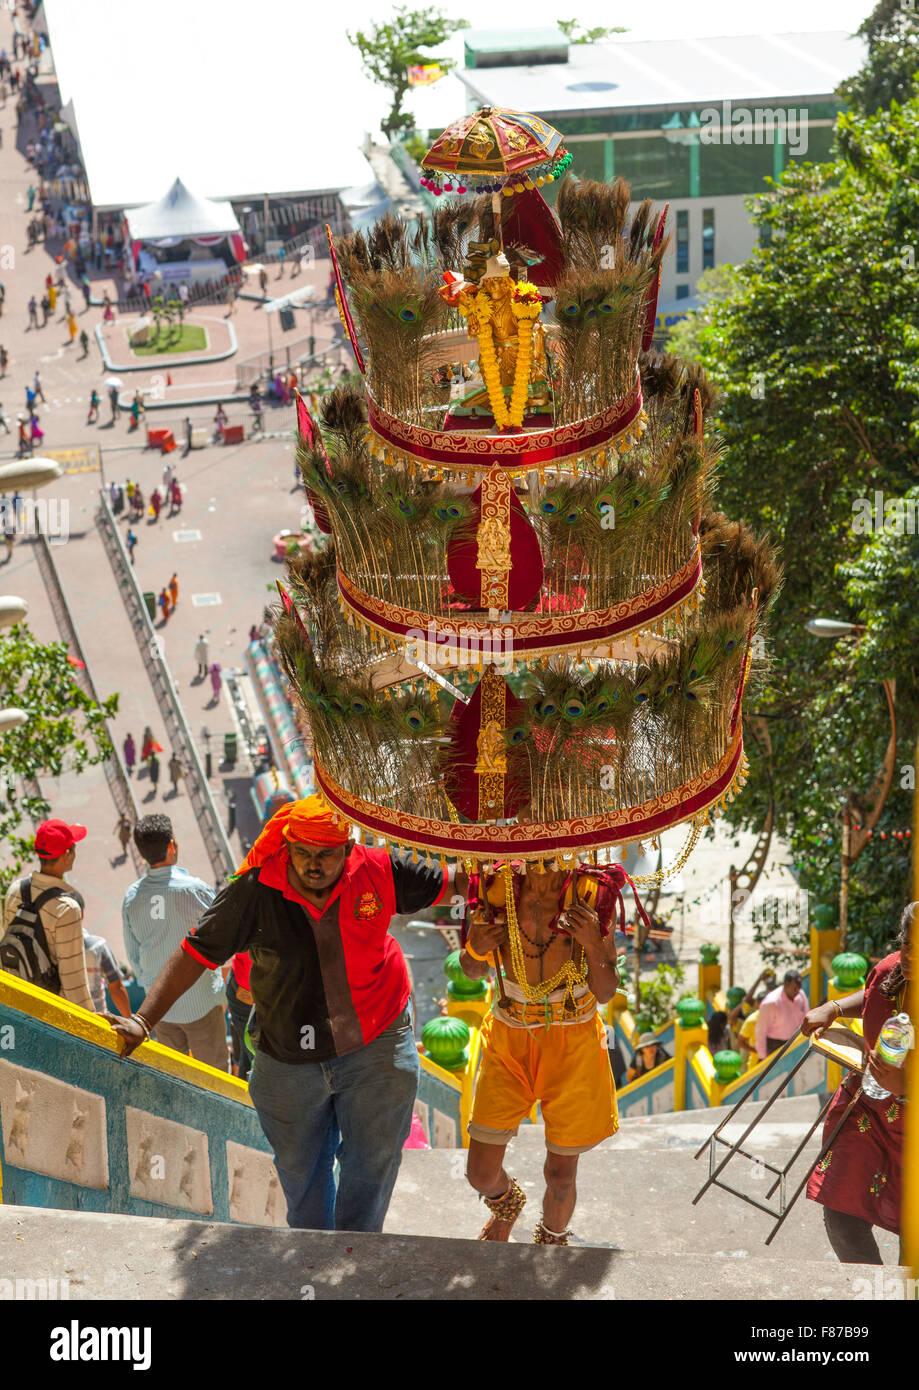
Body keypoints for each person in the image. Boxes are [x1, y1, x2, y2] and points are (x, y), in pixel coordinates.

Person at [106, 796, 449, 1230]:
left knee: (372, 1162)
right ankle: (313, 1256)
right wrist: (143, 1020)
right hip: (287, 1063)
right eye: (302, 852)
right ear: (286, 847)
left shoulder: (378, 870)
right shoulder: (253, 891)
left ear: (348, 848)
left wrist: (496, 891)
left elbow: (449, 885)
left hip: (376, 1046)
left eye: (325, 854)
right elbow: (196, 952)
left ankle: (355, 1251)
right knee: (301, 1174)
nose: (312, 864)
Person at [459, 862, 621, 1244]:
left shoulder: (590, 894)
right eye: (529, 836)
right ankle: (507, 1202)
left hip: (574, 1040)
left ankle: (552, 1238)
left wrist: (593, 943)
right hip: (509, 1036)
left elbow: (606, 991)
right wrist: (475, 948)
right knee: (480, 1174)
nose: (542, 848)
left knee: (561, 1176)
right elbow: (470, 970)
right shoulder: (494, 888)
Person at [803, 901, 915, 1265]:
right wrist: (833, 1008)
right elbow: (874, 993)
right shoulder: (893, 970)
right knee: (840, 1214)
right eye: (908, 944)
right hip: (867, 1114)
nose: (910, 956)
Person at [117, 815, 227, 1070]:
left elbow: (134, 958)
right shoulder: (196, 890)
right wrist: (221, 991)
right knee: (215, 1078)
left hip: (159, 1012)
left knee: (174, 1077)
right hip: (201, 1003)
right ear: (171, 846)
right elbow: (223, 944)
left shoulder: (132, 898)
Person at [0, 819, 94, 1011]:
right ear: (67, 855)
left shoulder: (14, 890)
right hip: (49, 1011)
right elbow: (73, 980)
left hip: (17, 1000)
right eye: (73, 847)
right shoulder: (67, 909)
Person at [755, 969, 808, 1059]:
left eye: (799, 988)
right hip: (775, 1045)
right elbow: (761, 1031)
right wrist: (762, 1056)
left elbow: (806, 1016)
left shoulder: (801, 995)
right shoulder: (771, 1002)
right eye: (795, 988)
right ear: (786, 984)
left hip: (795, 1043)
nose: (797, 991)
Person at [83, 928, 132, 1017]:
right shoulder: (98, 945)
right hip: (97, 1018)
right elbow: (116, 988)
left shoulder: (53, 947)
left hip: (61, 1022)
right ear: (82, 915)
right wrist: (129, 1019)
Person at [736, 990, 769, 1070]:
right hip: (755, 1065)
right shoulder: (751, 1021)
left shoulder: (776, 1017)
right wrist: (757, 1051)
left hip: (773, 1061)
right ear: (757, 1004)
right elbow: (740, 1042)